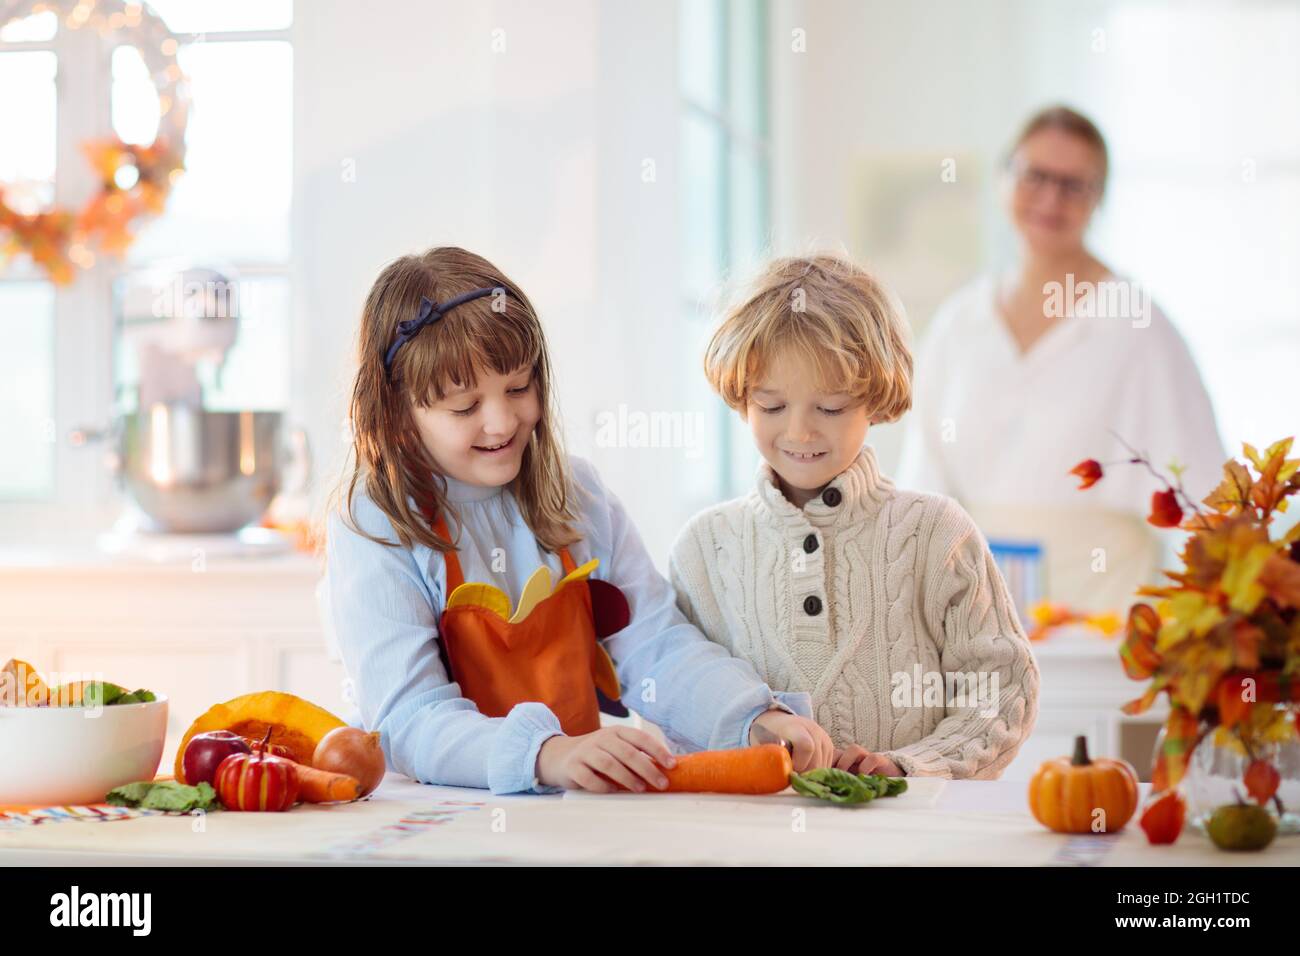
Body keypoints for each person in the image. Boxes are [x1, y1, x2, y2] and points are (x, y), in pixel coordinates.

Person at [324, 246, 832, 795]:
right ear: (397, 412)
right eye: (464, 407)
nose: (501, 421)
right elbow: (410, 717)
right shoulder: (374, 522)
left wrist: (749, 718)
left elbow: (655, 644)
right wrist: (546, 753)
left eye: (518, 388)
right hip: (441, 819)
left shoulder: (578, 493)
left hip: (569, 812)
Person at [670, 253, 1040, 779]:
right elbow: (676, 702)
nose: (799, 432)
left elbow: (1002, 690)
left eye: (831, 407)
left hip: (909, 837)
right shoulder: (703, 549)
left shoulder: (937, 533)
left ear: (874, 399)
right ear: (741, 398)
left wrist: (910, 768)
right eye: (771, 407)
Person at [897, 106, 1225, 613]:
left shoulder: (1139, 327)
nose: (1051, 198)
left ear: (1100, 199)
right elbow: (923, 479)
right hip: (971, 619)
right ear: (1003, 180)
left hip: (1104, 621)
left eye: (1075, 185)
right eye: (1036, 176)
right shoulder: (958, 323)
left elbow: (1203, 495)